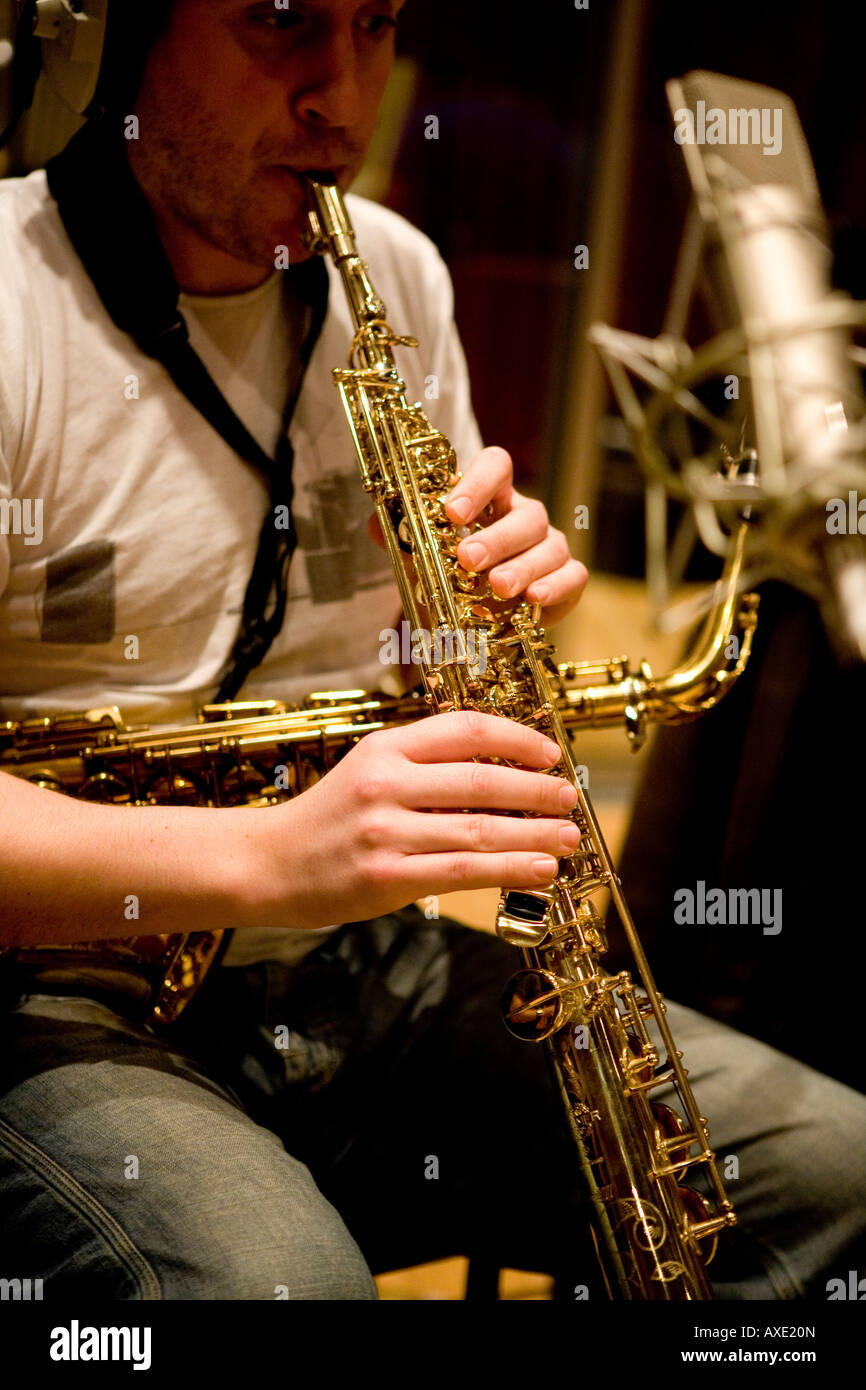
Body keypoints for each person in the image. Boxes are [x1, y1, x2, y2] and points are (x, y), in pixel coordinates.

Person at [0, 0, 863, 1300]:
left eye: (375, 26)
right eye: (281, 22)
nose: (341, 98)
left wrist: (505, 605)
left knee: (837, 1170)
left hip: (346, 959)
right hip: (54, 986)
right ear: (120, 42)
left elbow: (416, 656)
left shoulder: (394, 273)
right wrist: (263, 858)